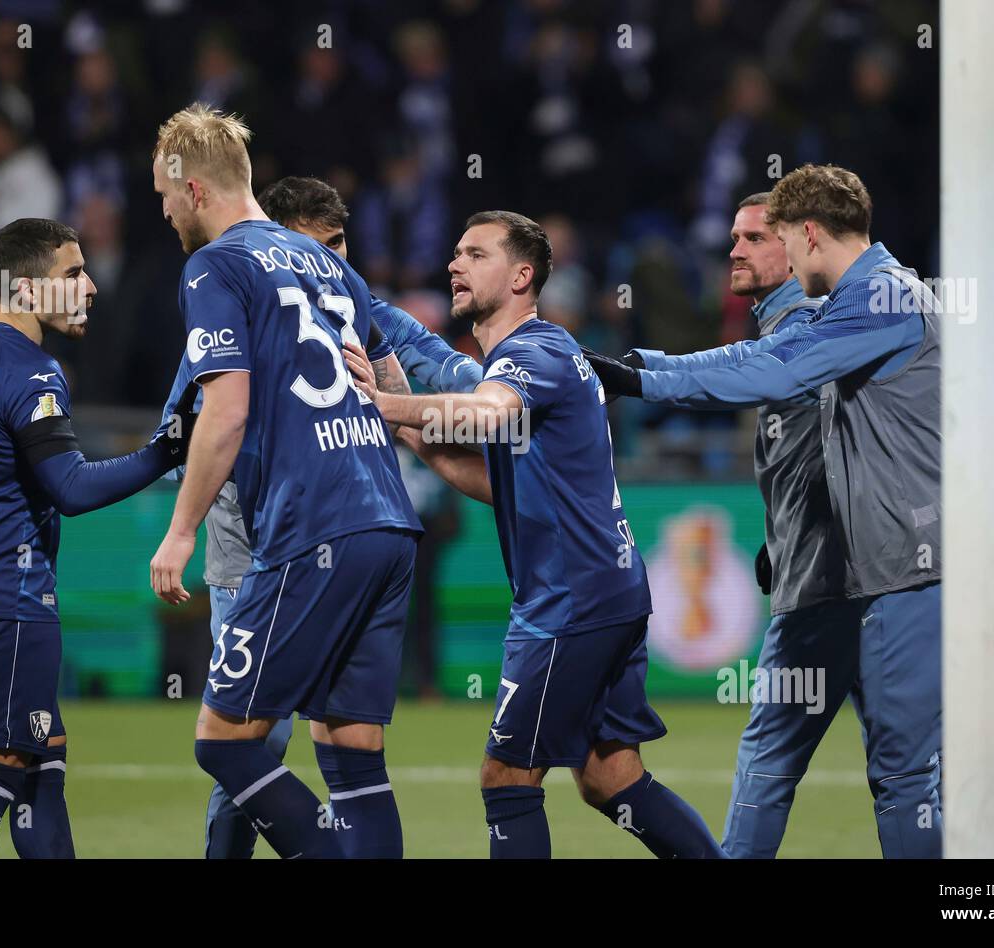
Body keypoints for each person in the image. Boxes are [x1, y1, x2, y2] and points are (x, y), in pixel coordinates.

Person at [585, 165, 943, 858]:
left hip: (896, 567)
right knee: (882, 770)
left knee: (891, 772)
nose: (739, 252)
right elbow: (766, 362)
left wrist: (642, 379)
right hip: (873, 565)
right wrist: (641, 365)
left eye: (763, 235)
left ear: (805, 235)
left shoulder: (876, 299)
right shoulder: (867, 295)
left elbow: (773, 370)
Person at [345, 210, 725, 859]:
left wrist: (383, 405)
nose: (454, 265)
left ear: (523, 275)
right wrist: (413, 431)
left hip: (569, 604)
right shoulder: (533, 359)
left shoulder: (535, 354)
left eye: (475, 254)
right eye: (455, 252)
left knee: (507, 778)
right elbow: (504, 478)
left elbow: (486, 414)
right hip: (606, 591)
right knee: (611, 777)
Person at [154, 173, 481, 858]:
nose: (331, 258)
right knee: (288, 742)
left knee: (266, 741)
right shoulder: (252, 290)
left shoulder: (335, 292)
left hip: (312, 529)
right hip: (258, 543)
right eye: (319, 243)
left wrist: (508, 390)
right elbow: (189, 434)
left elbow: (434, 371)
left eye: (339, 243)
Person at [0, 217, 195, 858]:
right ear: (25, 291)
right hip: (7, 600)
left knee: (41, 758)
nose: (90, 288)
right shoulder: (33, 371)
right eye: (72, 276)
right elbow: (73, 489)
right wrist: (168, 449)